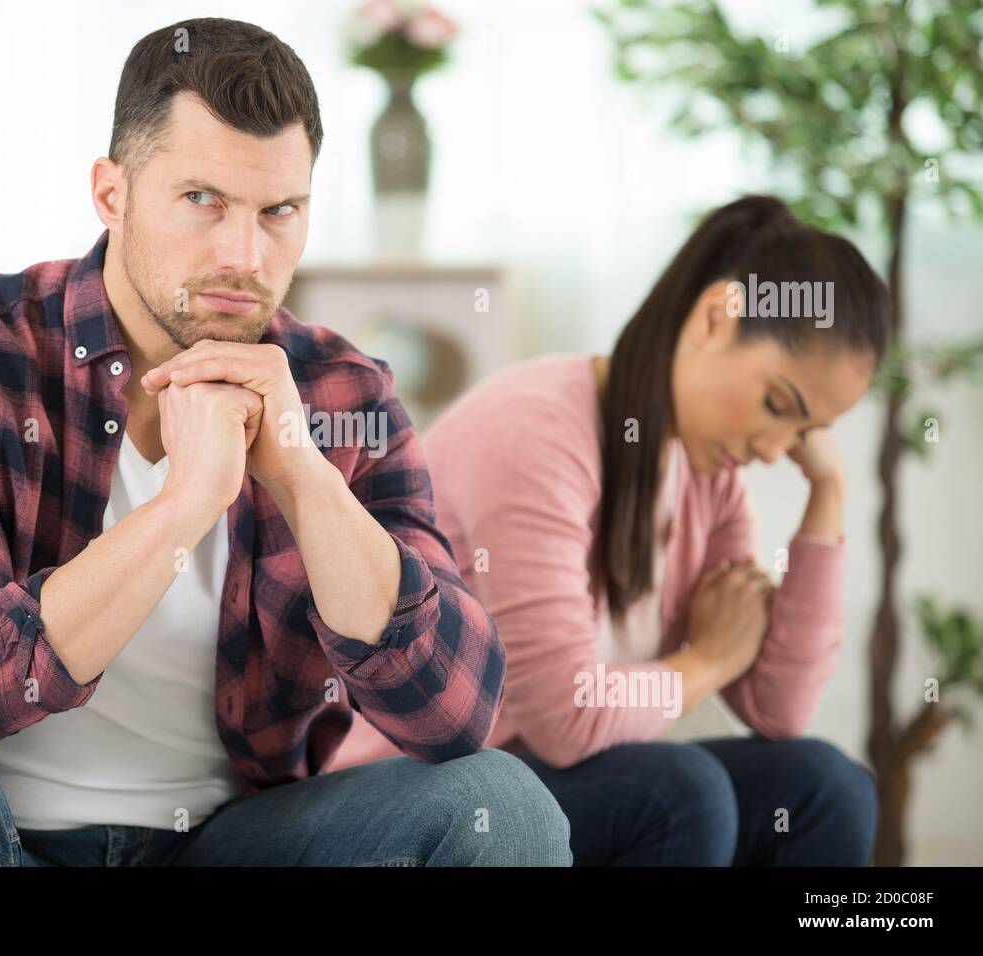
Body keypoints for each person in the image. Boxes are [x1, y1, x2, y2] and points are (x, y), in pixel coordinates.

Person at [0, 17, 570, 868]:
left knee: (502, 804)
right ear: (112, 192)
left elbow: (454, 715)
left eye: (280, 211)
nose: (244, 254)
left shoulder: (347, 395)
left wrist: (305, 479)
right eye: (203, 201)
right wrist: (184, 507)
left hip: (228, 841)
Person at [329, 195, 887, 866]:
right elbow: (569, 718)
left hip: (546, 777)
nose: (778, 448)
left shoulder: (711, 482)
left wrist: (827, 495)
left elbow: (777, 709)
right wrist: (704, 661)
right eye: (778, 406)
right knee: (680, 792)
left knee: (828, 788)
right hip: (416, 789)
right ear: (715, 319)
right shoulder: (538, 434)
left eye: (806, 432)